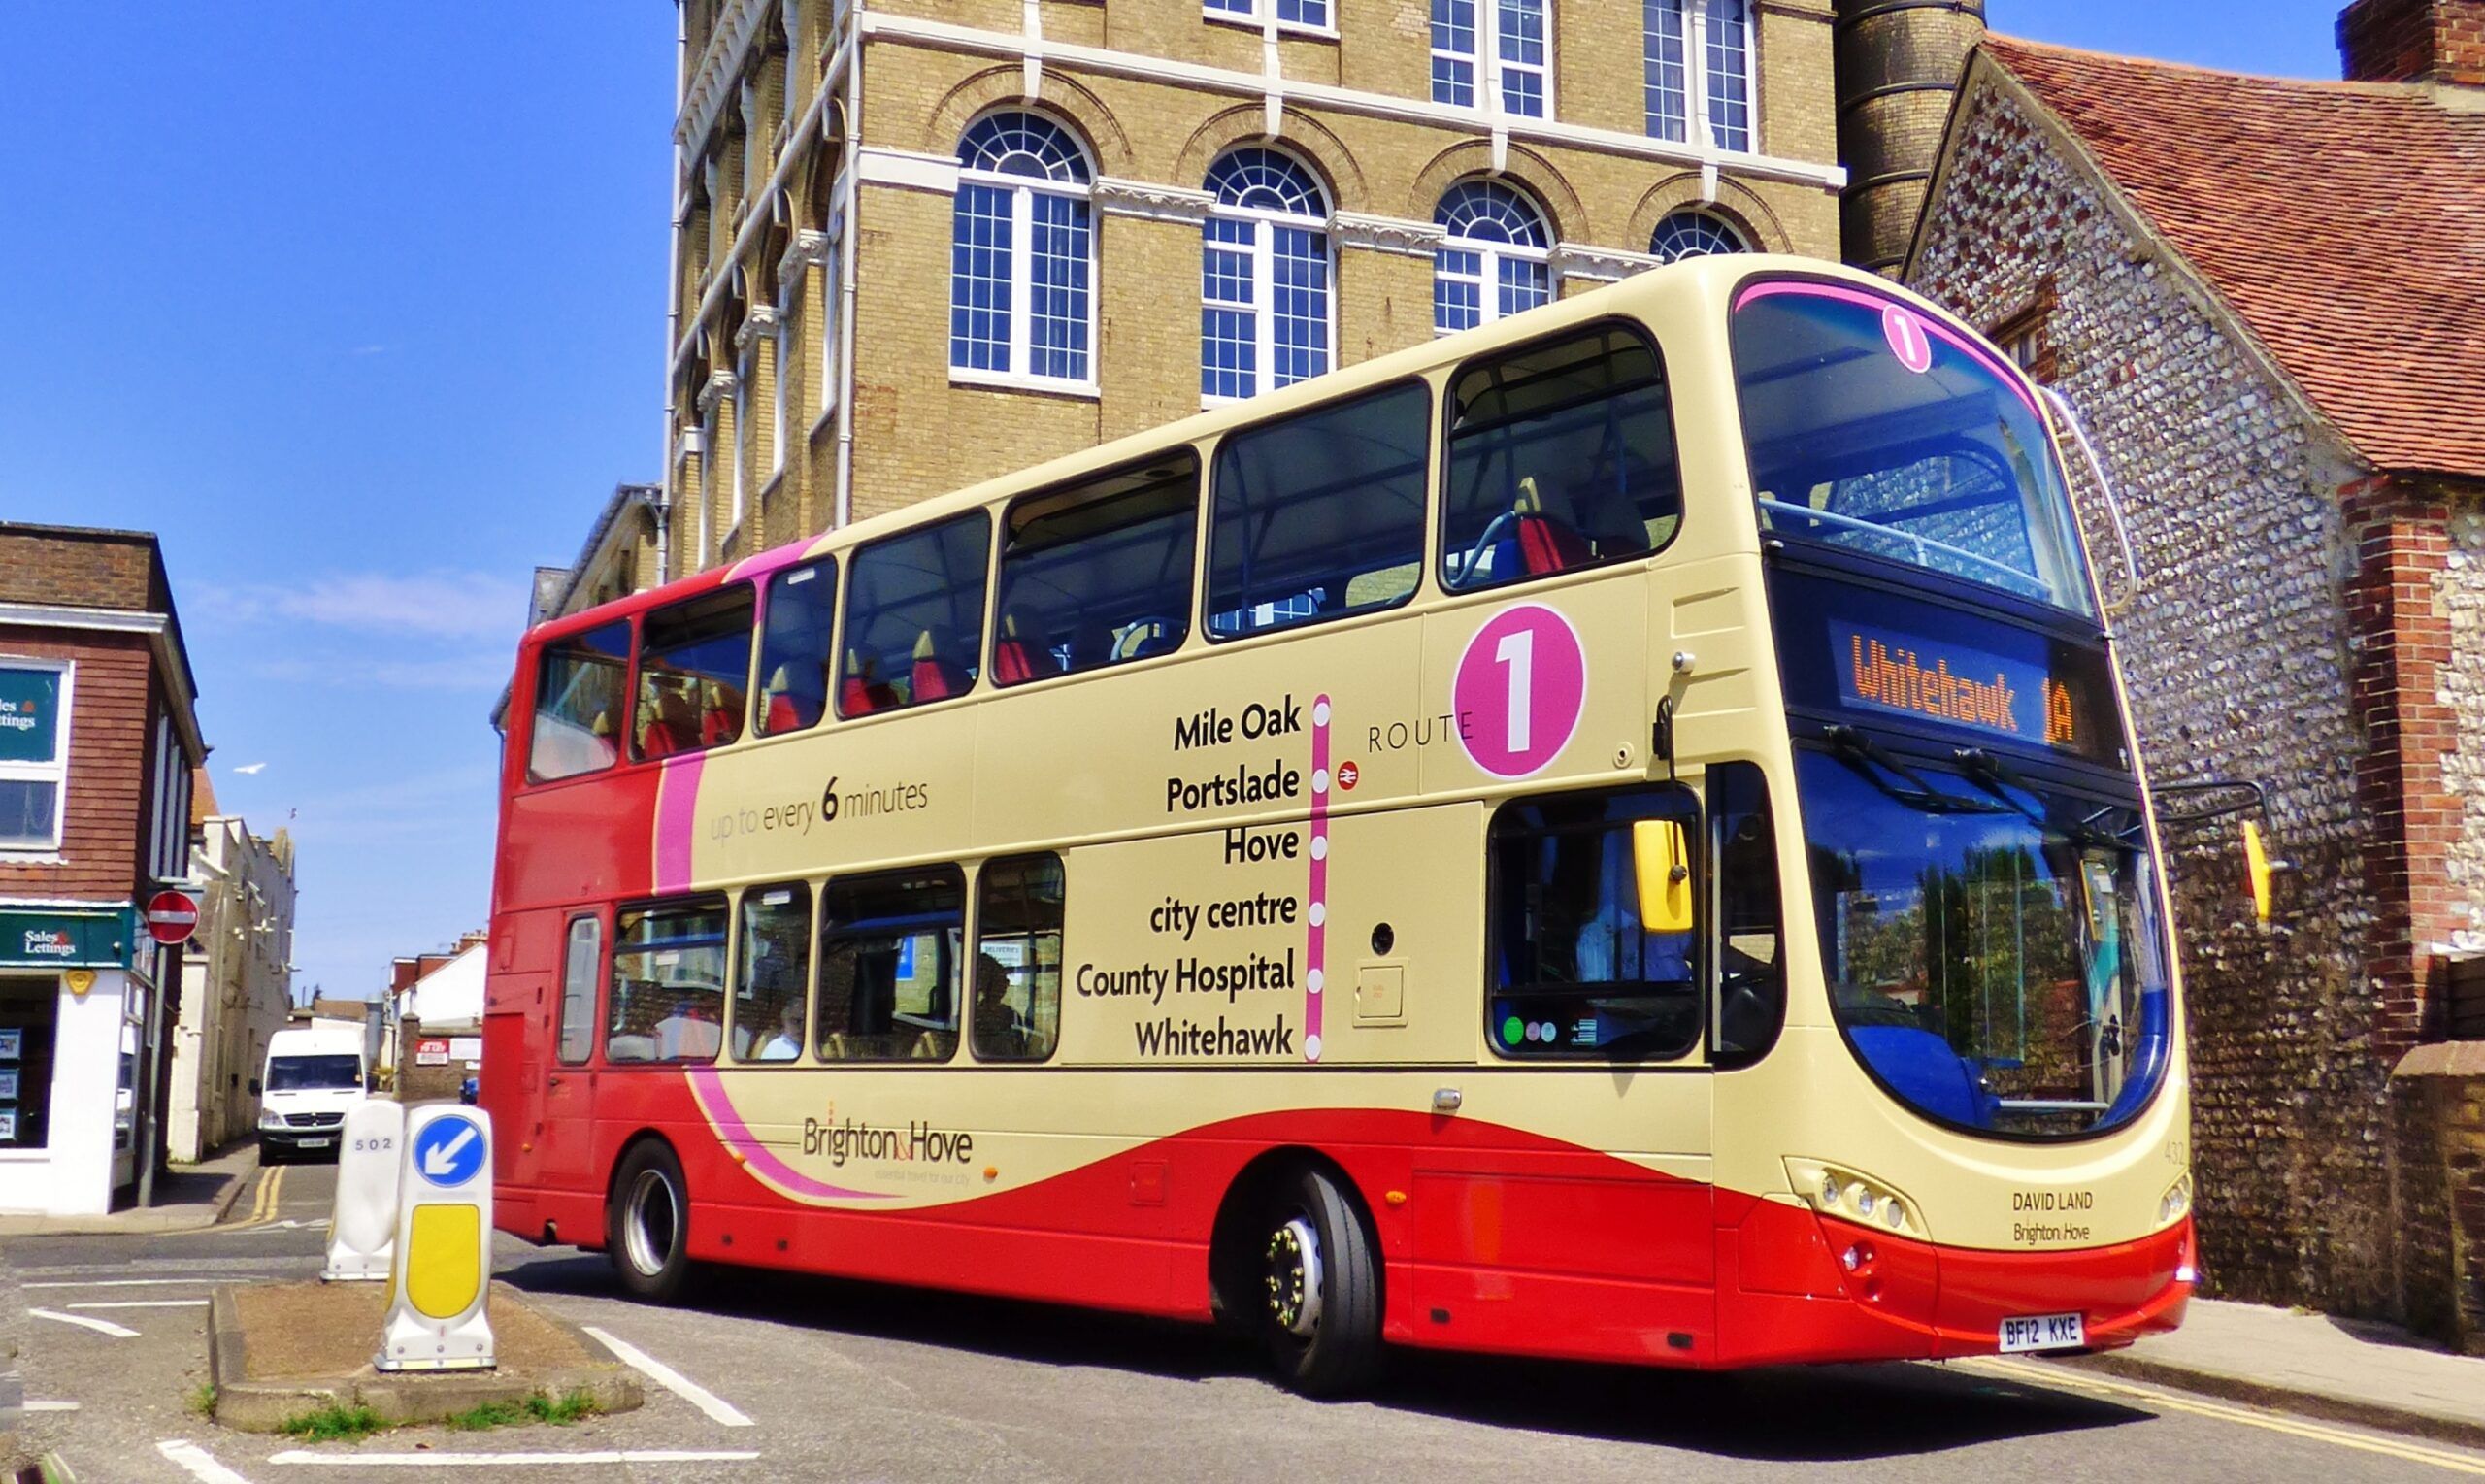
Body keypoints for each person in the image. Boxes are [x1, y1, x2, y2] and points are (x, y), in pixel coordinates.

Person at [971, 952, 1030, 1059]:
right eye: (999, 981)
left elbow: (1020, 1053)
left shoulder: (1011, 1015)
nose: (1005, 985)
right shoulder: (971, 1018)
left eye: (1005, 980)